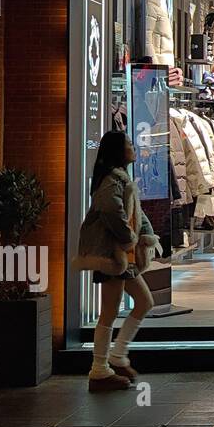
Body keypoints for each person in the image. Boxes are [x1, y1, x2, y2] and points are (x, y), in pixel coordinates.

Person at [75, 131, 158, 392]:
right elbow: (111, 210)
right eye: (129, 145)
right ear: (119, 151)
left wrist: (143, 236)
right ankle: (100, 369)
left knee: (144, 302)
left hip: (124, 257)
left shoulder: (119, 178)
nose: (133, 148)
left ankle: (116, 357)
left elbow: (134, 212)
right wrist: (128, 238)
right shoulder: (112, 179)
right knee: (110, 312)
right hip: (114, 256)